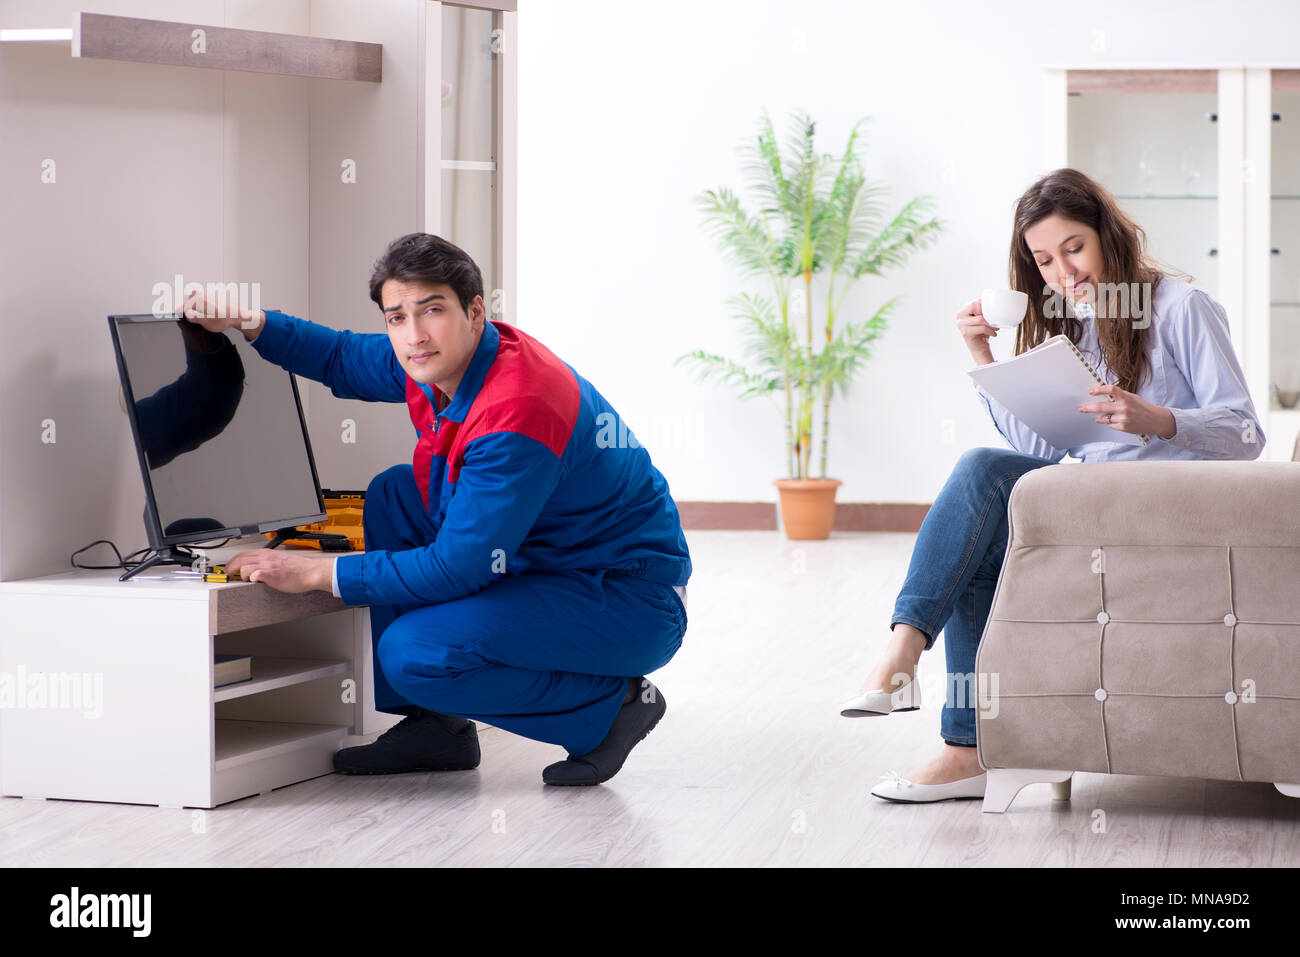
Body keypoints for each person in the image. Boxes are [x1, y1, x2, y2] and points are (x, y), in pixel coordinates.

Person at [183, 233, 691, 787]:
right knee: (396, 493)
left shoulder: (518, 409)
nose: (414, 334)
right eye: (396, 316)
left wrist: (317, 571)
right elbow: (340, 357)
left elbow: (458, 567)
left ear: (475, 311)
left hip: (626, 600)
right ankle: (436, 728)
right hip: (543, 561)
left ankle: (614, 706)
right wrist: (249, 321)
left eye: (432, 310)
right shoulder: (436, 360)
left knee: (416, 652)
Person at [837, 167, 1265, 803]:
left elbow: (1246, 433)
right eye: (1044, 261)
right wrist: (985, 359)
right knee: (981, 528)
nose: (1064, 274)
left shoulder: (1182, 307)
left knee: (982, 474)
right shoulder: (1076, 323)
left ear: (1108, 236)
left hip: (1173, 509)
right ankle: (968, 747)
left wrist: (1160, 419)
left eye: (1074, 249)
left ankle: (904, 659)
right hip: (1093, 505)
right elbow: (1041, 448)